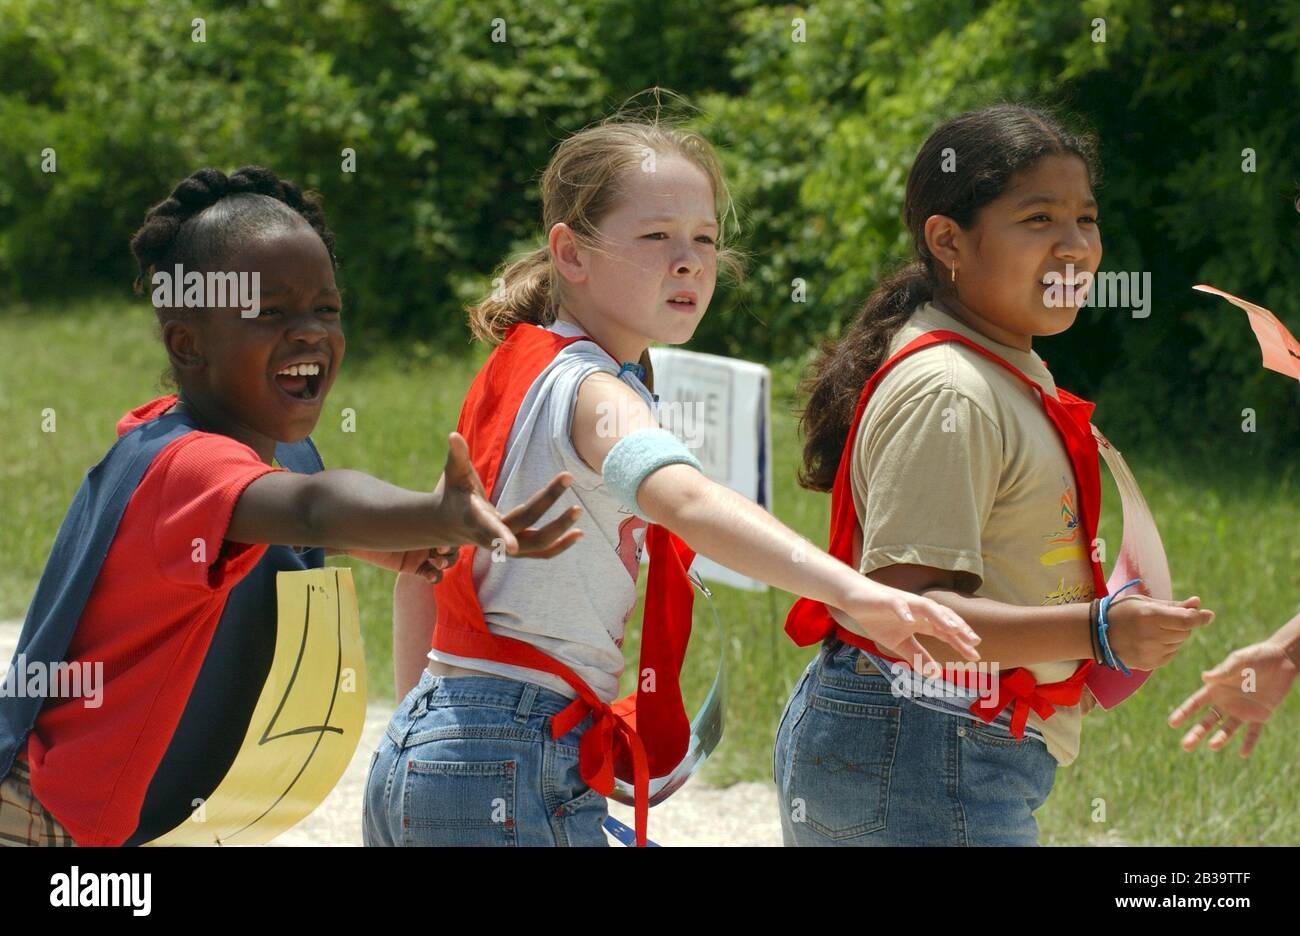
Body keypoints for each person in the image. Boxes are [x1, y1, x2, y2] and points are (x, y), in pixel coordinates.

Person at [364, 105, 980, 848]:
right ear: (571, 253)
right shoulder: (596, 393)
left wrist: (420, 741)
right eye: (656, 236)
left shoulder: (515, 371)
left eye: (705, 239)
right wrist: (855, 591)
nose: (688, 260)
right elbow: (683, 498)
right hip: (508, 752)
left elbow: (422, 571)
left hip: (435, 743)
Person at [0, 166, 579, 847]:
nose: (309, 332)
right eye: (269, 313)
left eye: (325, 310)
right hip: (44, 817)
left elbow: (288, 518)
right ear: (188, 343)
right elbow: (308, 509)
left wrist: (378, 541)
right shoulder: (186, 467)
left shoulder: (232, 451)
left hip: (115, 813)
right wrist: (434, 513)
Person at [776, 104, 1214, 846]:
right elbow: (914, 623)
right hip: (923, 747)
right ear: (949, 239)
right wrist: (1099, 632)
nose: (1076, 247)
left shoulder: (998, 361)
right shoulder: (951, 389)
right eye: (1039, 219)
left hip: (937, 745)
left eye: (1087, 218)